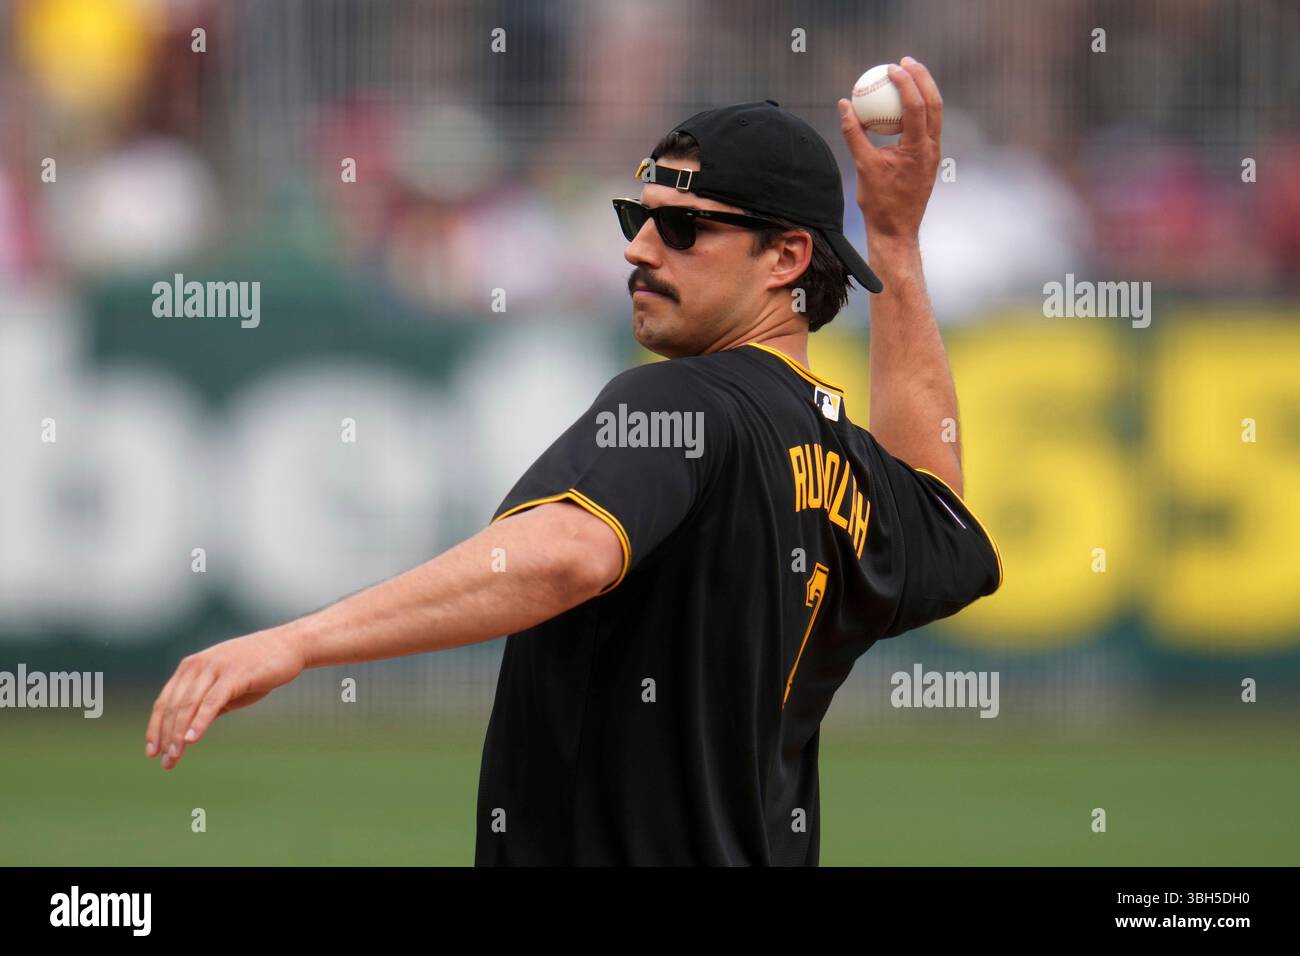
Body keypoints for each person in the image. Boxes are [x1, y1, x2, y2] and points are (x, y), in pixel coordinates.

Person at [145, 58, 1002, 866]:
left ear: (787, 258)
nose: (638, 249)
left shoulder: (682, 403)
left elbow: (569, 554)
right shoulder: (844, 465)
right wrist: (893, 242)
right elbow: (942, 507)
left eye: (683, 228)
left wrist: (298, 644)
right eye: (639, 219)